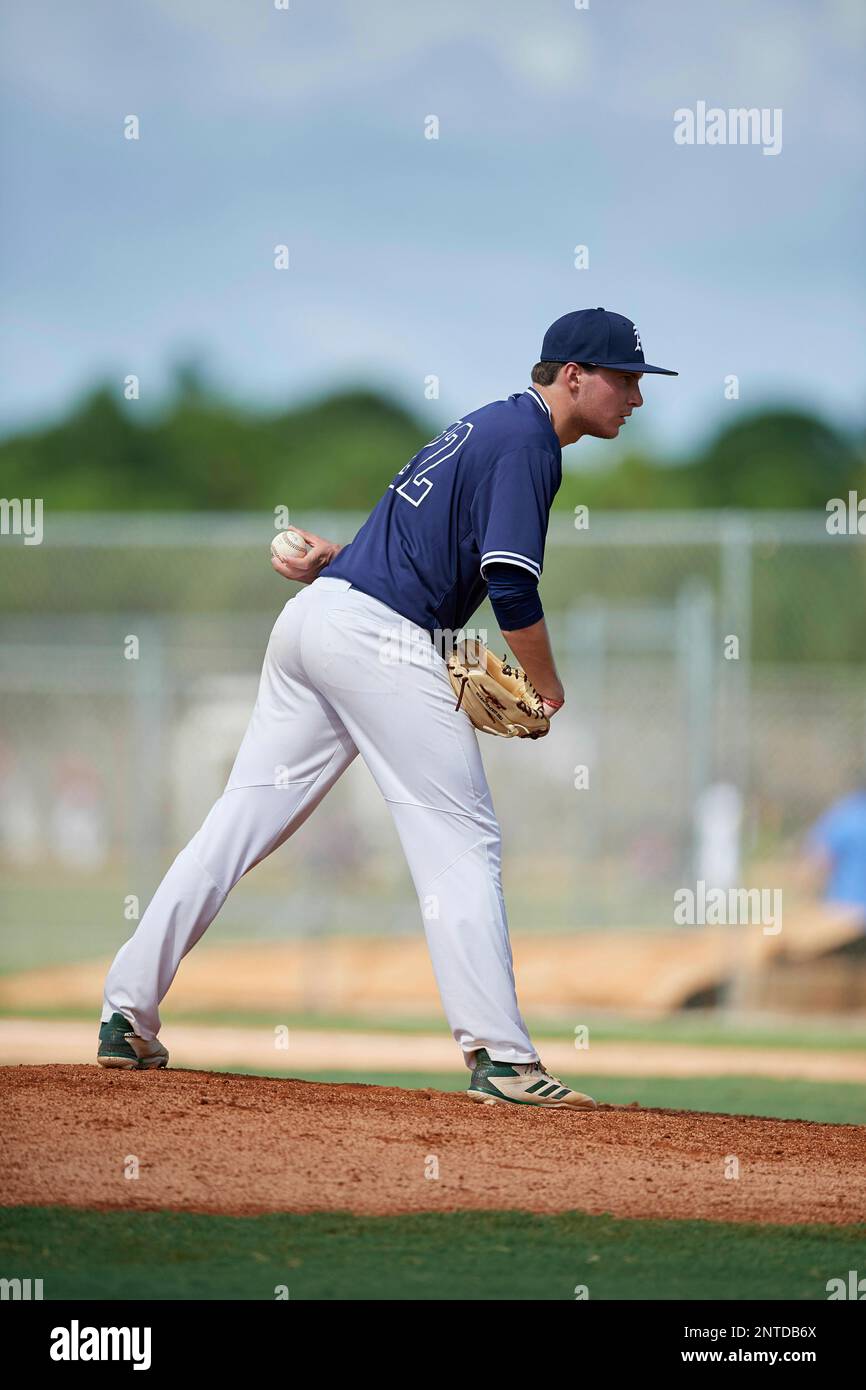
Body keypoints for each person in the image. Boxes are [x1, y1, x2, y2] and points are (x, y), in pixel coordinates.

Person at [98, 308, 677, 1107]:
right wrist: (548, 685)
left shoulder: (481, 426)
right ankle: (502, 1059)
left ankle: (124, 1014)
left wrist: (336, 558)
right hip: (376, 637)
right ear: (573, 375)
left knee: (236, 822)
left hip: (318, 622)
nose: (637, 397)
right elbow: (509, 580)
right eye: (627, 378)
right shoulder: (530, 445)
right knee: (461, 839)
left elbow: (402, 538)